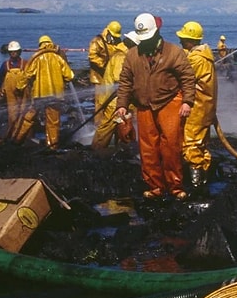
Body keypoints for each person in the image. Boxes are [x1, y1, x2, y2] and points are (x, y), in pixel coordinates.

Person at [115, 13, 196, 200]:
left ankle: (175, 187)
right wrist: (122, 105)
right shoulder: (132, 55)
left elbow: (187, 78)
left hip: (170, 101)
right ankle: (155, 187)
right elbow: (125, 82)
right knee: (148, 148)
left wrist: (187, 101)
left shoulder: (174, 52)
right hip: (143, 105)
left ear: (157, 32)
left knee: (171, 146)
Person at [10, 35, 75, 149]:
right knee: (53, 121)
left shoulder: (36, 58)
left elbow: (27, 75)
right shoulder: (57, 58)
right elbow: (70, 76)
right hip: (56, 96)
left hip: (39, 95)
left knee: (29, 118)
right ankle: (52, 146)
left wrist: (19, 87)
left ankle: (16, 140)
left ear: (40, 45)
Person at [176, 20, 216, 195]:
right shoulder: (204, 55)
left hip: (197, 107)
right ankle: (205, 177)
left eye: (183, 39)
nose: (181, 41)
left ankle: (196, 184)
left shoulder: (196, 59)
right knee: (202, 144)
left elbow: (183, 78)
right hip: (206, 107)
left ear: (190, 41)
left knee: (191, 143)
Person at [87, 21, 129, 153]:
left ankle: (114, 135)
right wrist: (106, 66)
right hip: (100, 78)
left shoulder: (117, 42)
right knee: (100, 105)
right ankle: (99, 131)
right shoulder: (97, 41)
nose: (116, 38)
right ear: (108, 32)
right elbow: (92, 57)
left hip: (111, 78)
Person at [0, 41, 27, 138]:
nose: (13, 53)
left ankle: (25, 134)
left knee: (24, 112)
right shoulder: (5, 65)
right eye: (11, 51)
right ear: (9, 53)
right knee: (12, 113)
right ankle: (13, 134)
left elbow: (31, 76)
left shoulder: (25, 63)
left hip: (23, 92)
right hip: (10, 93)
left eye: (15, 51)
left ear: (19, 52)